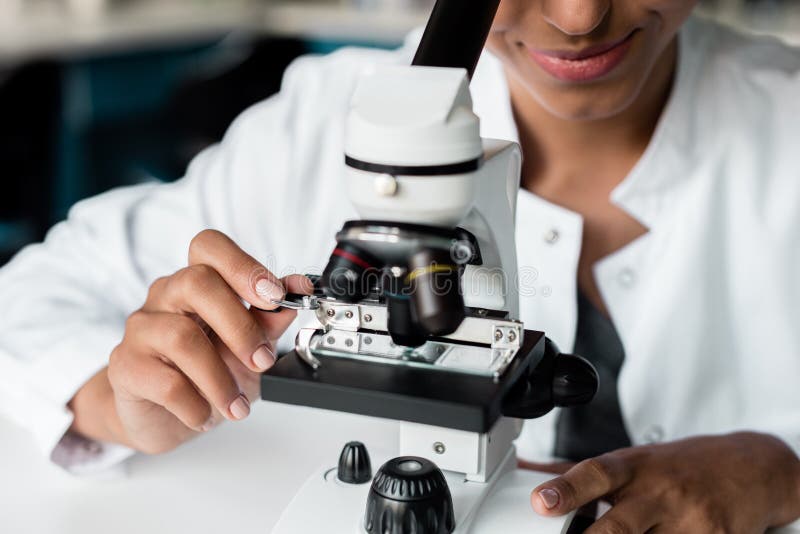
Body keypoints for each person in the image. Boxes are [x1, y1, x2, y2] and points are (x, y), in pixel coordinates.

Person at [1, 0, 799, 531]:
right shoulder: (323, 119)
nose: (578, 16)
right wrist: (116, 400)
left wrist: (780, 472)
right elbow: (30, 294)